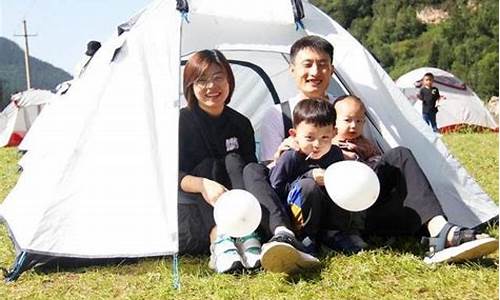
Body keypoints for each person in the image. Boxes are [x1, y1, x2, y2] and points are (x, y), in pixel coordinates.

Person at [332, 95, 498, 263]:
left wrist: (370, 154)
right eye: (347, 120)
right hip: (360, 215)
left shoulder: (366, 144)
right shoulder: (330, 148)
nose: (353, 126)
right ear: (333, 122)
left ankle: (440, 232)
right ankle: (443, 235)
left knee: (405, 172)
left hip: (380, 205)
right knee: (399, 155)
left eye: (359, 121)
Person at [178, 49, 261, 273]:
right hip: (197, 189)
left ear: (229, 81)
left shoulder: (240, 123)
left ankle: (247, 235)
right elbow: (173, 173)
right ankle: (220, 241)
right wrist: (203, 184)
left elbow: (249, 168)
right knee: (208, 166)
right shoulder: (181, 122)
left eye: (218, 78)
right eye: (202, 80)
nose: (211, 87)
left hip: (235, 191)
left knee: (235, 161)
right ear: (191, 87)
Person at [268, 99, 363, 257]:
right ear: (294, 134)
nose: (317, 144)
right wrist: (308, 177)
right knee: (308, 186)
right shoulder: (290, 157)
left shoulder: (335, 153)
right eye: (310, 138)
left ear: (334, 132)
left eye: (325, 137)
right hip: (299, 213)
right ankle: (306, 239)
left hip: (327, 211)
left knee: (340, 183)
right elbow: (276, 189)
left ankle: (333, 233)